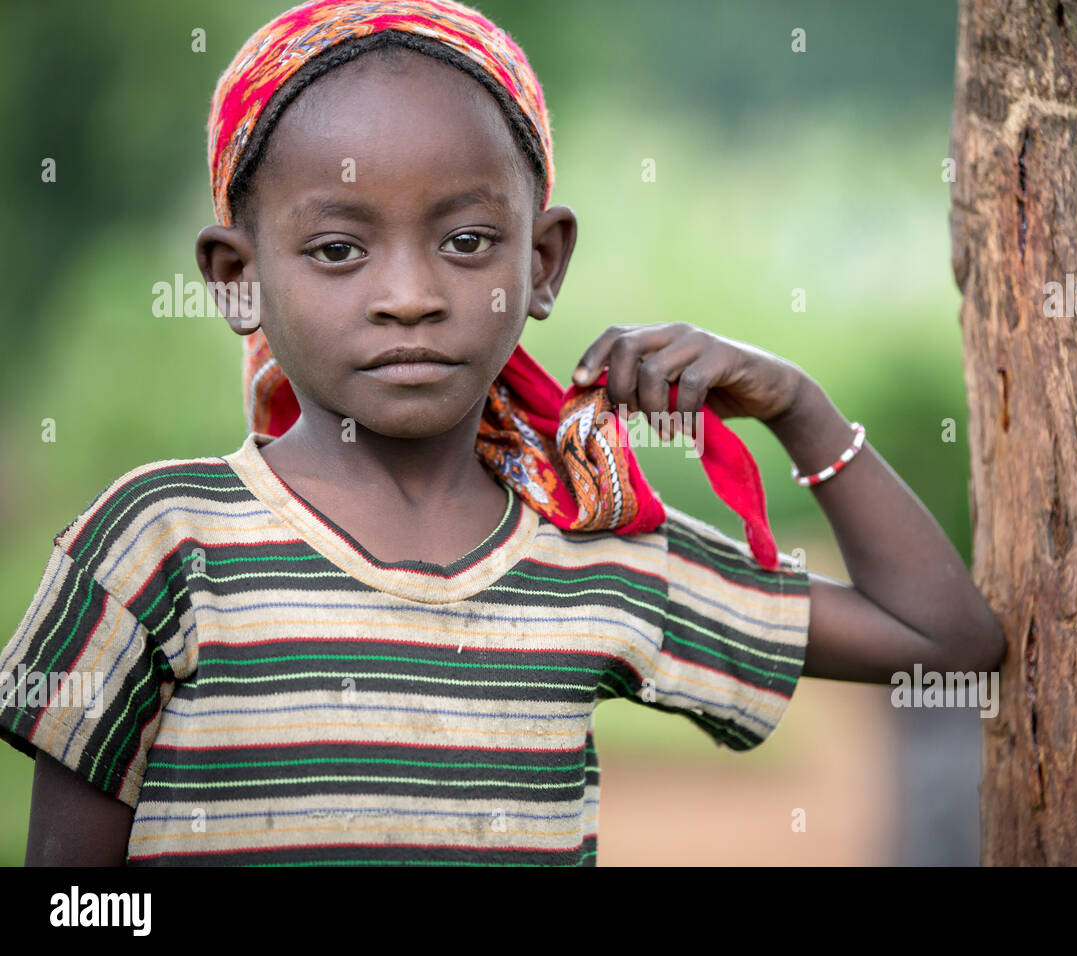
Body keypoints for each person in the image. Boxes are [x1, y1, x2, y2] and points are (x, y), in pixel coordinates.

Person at [2, 0, 1004, 866]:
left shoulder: (594, 549)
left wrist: (797, 406)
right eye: (339, 248)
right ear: (237, 276)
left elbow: (944, 638)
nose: (409, 296)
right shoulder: (156, 544)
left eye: (467, 242)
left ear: (544, 261)